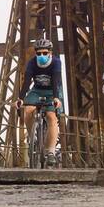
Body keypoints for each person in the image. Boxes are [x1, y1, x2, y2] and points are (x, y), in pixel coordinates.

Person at [17, 36, 63, 165]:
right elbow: (26, 81)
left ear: (50, 53)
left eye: (45, 53)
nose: (41, 55)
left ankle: (50, 152)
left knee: (51, 117)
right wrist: (20, 98)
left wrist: (56, 97)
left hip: (51, 92)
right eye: (39, 53)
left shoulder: (56, 62)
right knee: (28, 109)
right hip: (36, 90)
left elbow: (56, 80)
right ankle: (33, 137)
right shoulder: (32, 62)